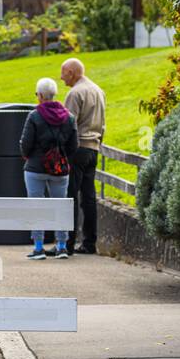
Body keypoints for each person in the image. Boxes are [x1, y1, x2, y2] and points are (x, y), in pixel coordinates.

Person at [20, 77, 78, 260]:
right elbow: (73, 146)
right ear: (53, 95)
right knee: (60, 206)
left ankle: (38, 247)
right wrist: (61, 157)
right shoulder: (69, 117)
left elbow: (26, 144)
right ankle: (61, 246)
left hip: (35, 169)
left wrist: (28, 156)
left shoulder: (34, 116)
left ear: (40, 96)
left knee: (36, 207)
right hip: (60, 170)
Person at [60, 57, 105, 256]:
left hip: (77, 148)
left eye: (64, 74)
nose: (62, 79)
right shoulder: (98, 90)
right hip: (93, 147)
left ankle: (67, 243)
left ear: (71, 72)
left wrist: (62, 149)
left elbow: (68, 125)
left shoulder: (75, 93)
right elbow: (103, 122)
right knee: (89, 197)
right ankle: (89, 242)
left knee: (71, 196)